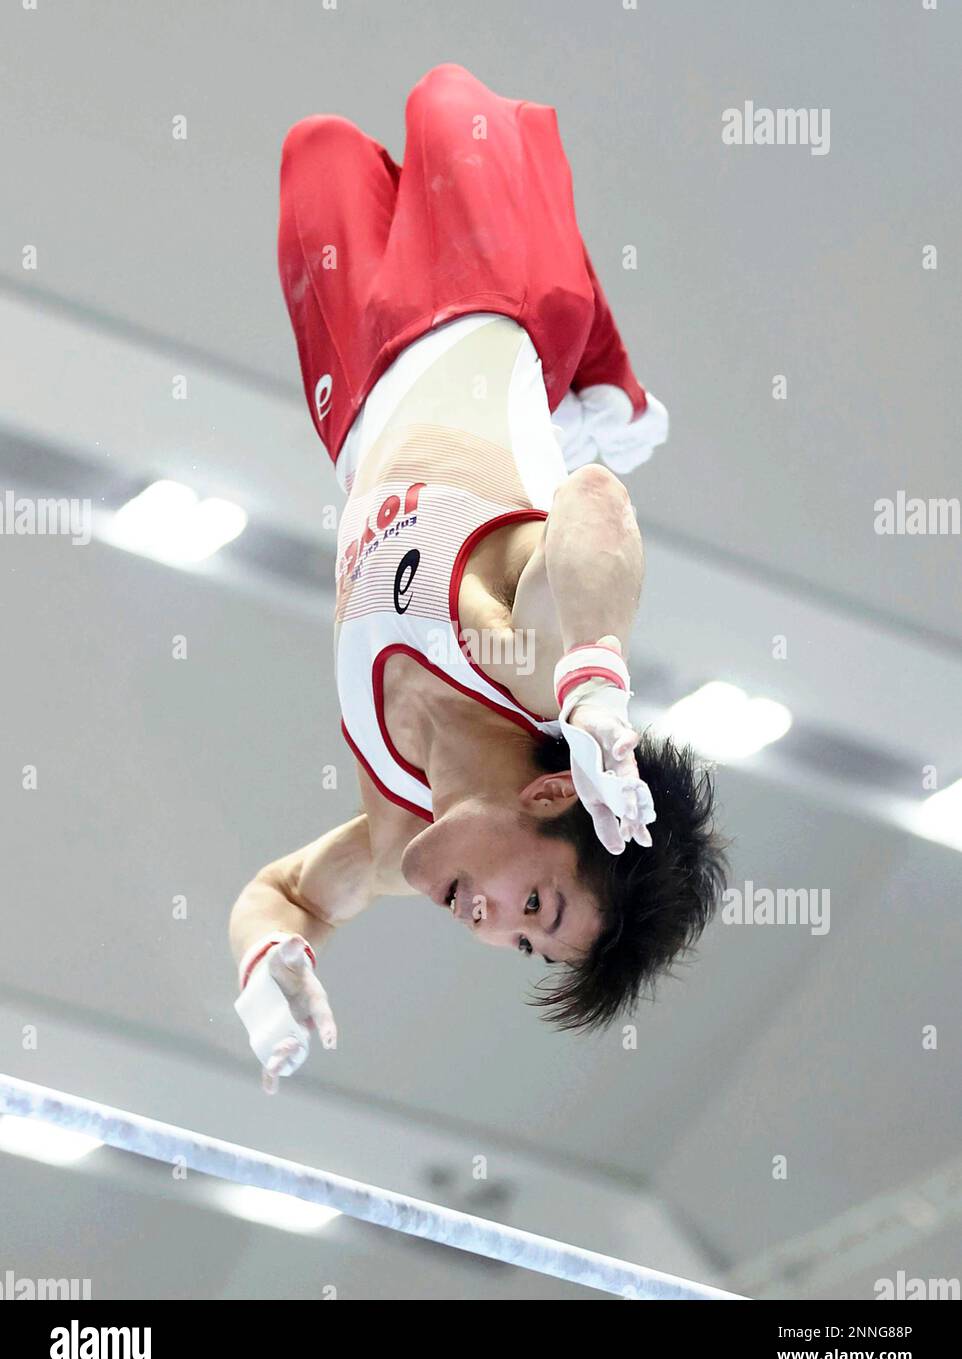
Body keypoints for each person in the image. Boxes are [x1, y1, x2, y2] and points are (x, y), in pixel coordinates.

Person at [230, 64, 725, 1090]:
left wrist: (262, 960)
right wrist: (592, 688)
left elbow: (287, 894)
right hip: (481, 296)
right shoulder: (521, 667)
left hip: (359, 387)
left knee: (311, 144)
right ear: (553, 791)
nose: (490, 930)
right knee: (443, 97)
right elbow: (594, 504)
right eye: (533, 910)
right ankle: (591, 378)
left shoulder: (400, 825)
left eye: (523, 950)